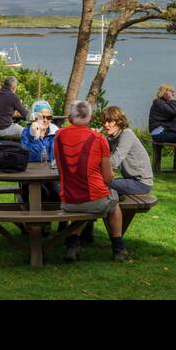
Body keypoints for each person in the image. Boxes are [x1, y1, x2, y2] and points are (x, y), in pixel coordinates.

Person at [54, 100, 128, 263]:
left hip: (68, 201)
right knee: (113, 203)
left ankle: (72, 245)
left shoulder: (59, 136)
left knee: (85, 203)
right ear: (91, 117)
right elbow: (108, 178)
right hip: (93, 200)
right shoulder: (99, 139)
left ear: (70, 117)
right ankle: (118, 248)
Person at [101, 105, 154, 195]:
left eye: (110, 121)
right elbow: (99, 154)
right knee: (97, 183)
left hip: (141, 183)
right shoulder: (111, 137)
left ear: (119, 121)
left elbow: (115, 161)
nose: (106, 125)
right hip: (129, 180)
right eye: (104, 121)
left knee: (100, 184)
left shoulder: (127, 134)